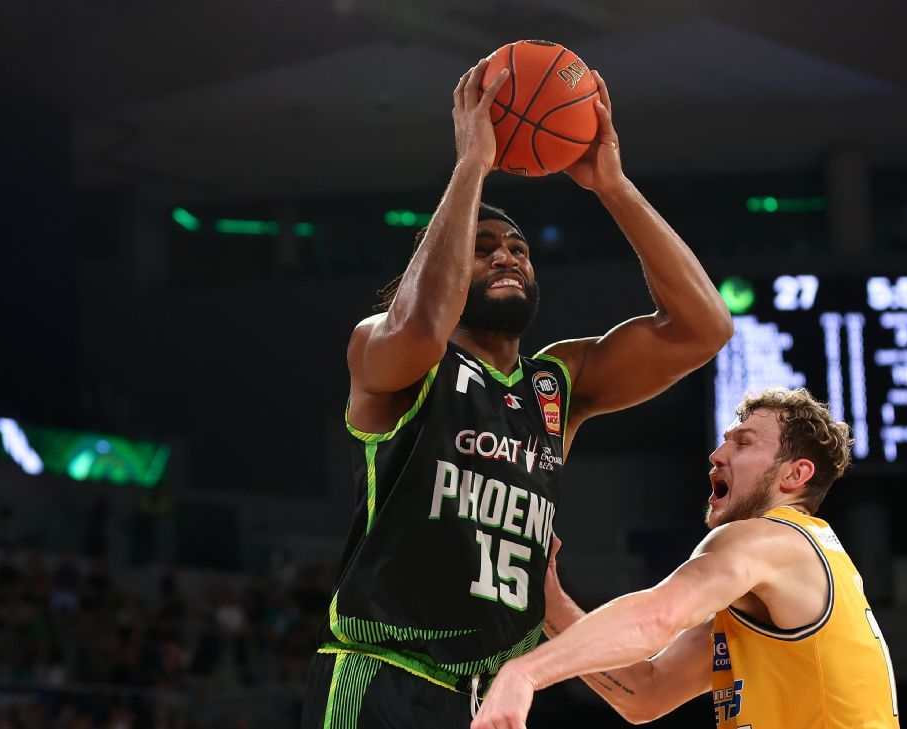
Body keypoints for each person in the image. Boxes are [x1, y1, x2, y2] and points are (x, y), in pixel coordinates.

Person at [299, 58, 733, 729]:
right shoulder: (392, 354)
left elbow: (704, 327)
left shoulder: (556, 383)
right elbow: (422, 320)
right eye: (484, 247)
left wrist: (613, 187)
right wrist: (472, 164)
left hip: (494, 693)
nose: (507, 255)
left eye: (519, 248)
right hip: (383, 677)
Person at [471, 387, 900, 729]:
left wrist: (523, 674)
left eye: (743, 442)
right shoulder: (802, 566)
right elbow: (647, 694)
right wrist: (551, 605)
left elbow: (657, 617)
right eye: (724, 440)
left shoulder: (766, 539)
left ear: (795, 475)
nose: (717, 455)